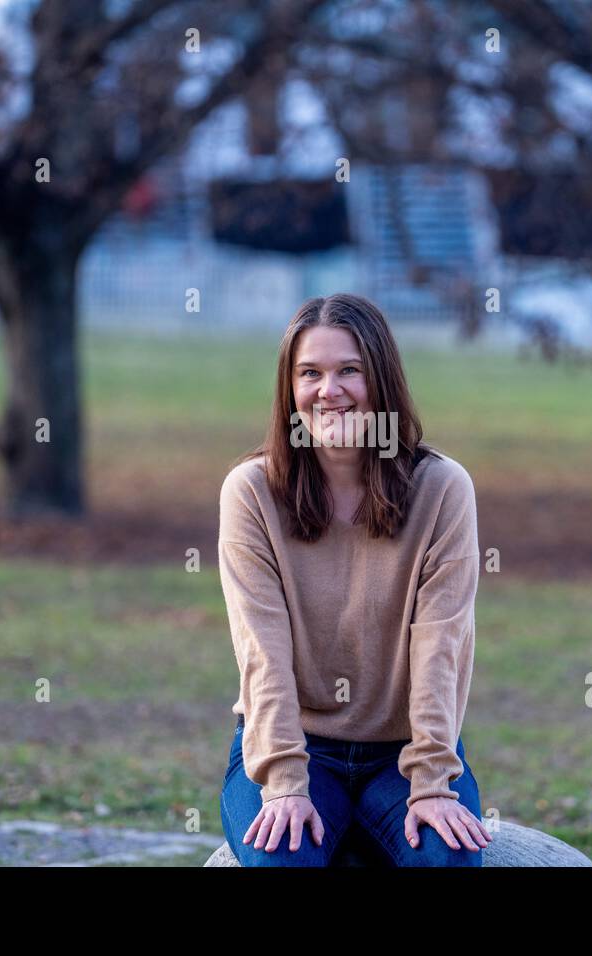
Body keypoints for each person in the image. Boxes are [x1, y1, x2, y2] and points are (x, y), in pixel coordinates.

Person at [217, 292, 493, 866]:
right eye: (309, 373)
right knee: (281, 858)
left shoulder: (441, 490)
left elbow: (442, 647)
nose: (328, 390)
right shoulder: (251, 493)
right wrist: (287, 782)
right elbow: (261, 652)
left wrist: (433, 780)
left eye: (350, 371)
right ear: (289, 390)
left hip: (402, 752)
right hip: (297, 746)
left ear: (382, 380)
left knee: (447, 858)